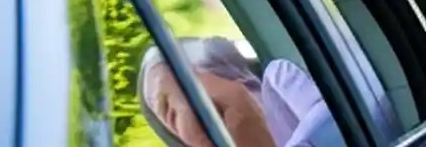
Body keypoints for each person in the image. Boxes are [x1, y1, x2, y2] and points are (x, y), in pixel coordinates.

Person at [138, 37, 342, 147]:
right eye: (167, 113)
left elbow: (337, 123)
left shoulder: (283, 80)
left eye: (185, 83)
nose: (185, 107)